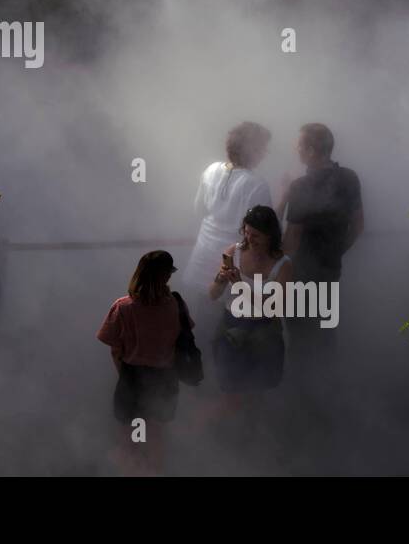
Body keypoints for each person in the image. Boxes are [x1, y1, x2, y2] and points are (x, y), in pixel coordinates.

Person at [96, 250, 193, 474]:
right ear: (167, 276)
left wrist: (124, 374)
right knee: (157, 436)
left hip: (133, 377)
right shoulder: (176, 305)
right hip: (165, 378)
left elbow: (114, 349)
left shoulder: (123, 307)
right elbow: (182, 337)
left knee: (128, 439)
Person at [279, 123, 362, 373]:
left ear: (312, 150)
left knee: (299, 340)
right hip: (330, 273)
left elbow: (291, 240)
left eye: (299, 146)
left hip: (299, 276)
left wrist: (284, 193)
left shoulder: (301, 187)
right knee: (325, 336)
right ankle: (327, 396)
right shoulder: (349, 178)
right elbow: (358, 226)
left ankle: (301, 401)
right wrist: (335, 253)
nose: (296, 150)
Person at [184, 122, 272, 324]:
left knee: (201, 325)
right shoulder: (256, 185)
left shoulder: (211, 170)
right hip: (232, 268)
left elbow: (199, 209)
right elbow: (266, 230)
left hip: (203, 260)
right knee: (228, 330)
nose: (265, 153)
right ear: (252, 150)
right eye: (263, 148)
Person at [207, 205, 291, 412]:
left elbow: (276, 308)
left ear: (270, 235)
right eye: (246, 232)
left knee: (256, 390)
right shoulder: (233, 252)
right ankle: (228, 433)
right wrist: (220, 278)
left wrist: (240, 286)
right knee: (230, 390)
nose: (249, 239)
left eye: (256, 235)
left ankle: (253, 433)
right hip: (232, 325)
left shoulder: (282, 264)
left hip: (262, 329)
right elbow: (213, 294)